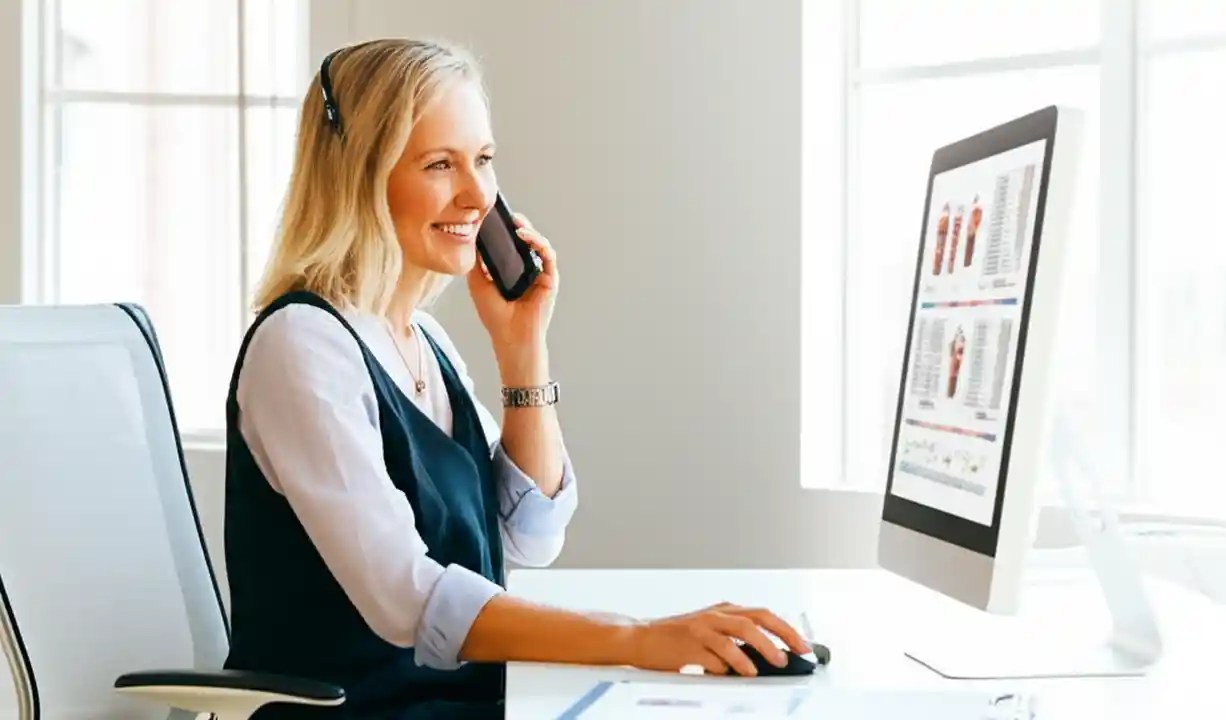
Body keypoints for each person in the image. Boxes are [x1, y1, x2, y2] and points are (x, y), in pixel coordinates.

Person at [221, 38, 810, 719]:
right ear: (360, 177)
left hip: (455, 698)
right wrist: (640, 638)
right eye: (441, 164)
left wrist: (522, 348)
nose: (478, 195)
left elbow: (530, 534)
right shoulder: (303, 347)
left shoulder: (422, 341)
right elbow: (407, 601)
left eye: (484, 160)